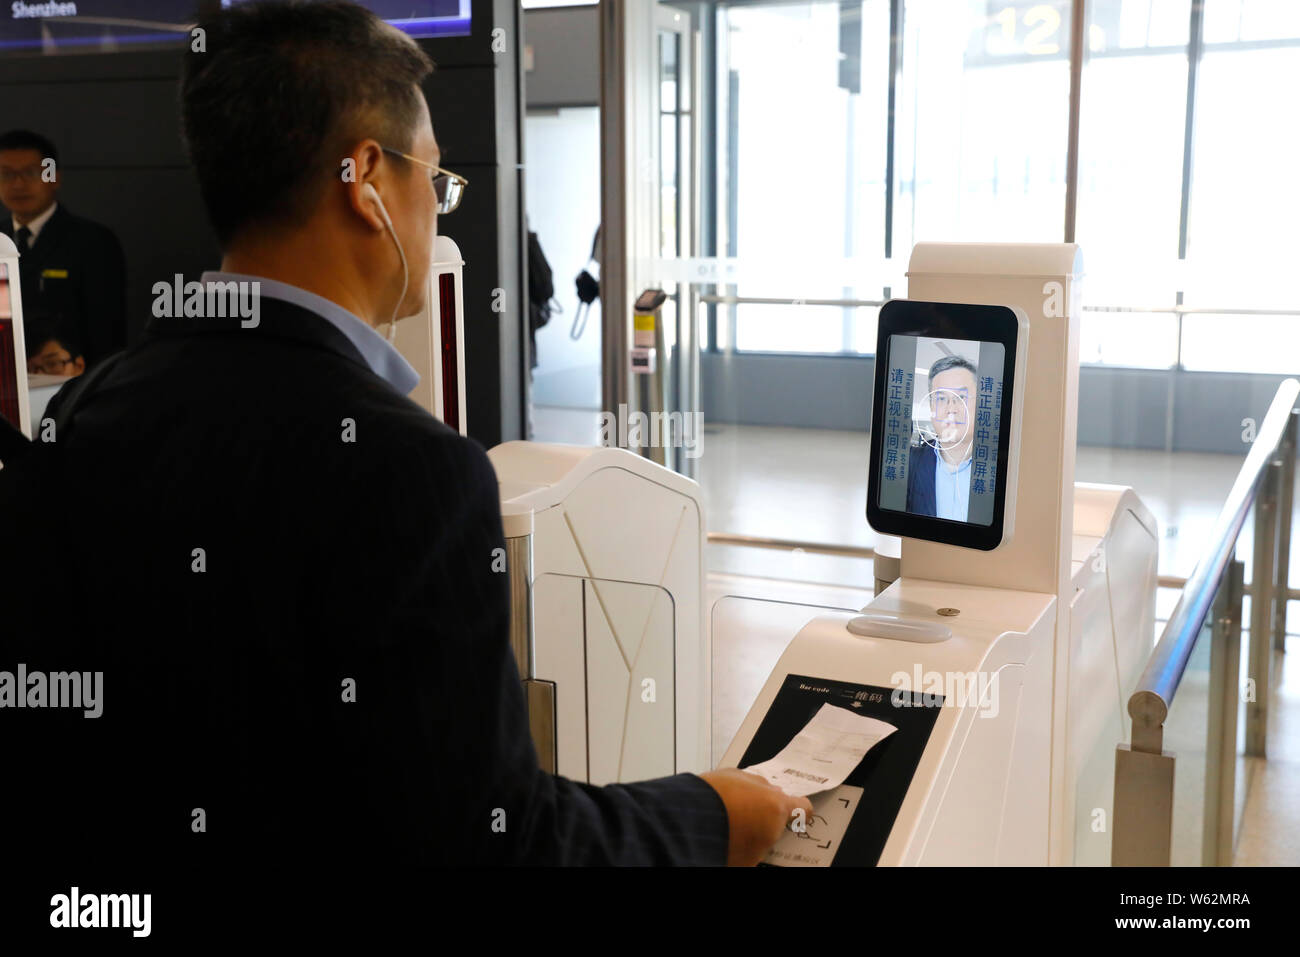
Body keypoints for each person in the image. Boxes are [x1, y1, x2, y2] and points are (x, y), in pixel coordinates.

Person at [0, 0, 806, 870]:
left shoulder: (91, 409)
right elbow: (494, 841)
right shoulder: (413, 472)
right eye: (435, 177)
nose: (438, 205)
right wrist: (713, 815)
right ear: (369, 179)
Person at [0, 130, 127, 366]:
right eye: (6, 174)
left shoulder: (93, 241)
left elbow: (107, 332)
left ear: (53, 177)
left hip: (68, 382)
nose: (18, 184)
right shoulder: (1, 238)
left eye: (30, 173)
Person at [906, 354, 978, 521]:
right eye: (941, 399)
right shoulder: (909, 465)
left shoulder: (1003, 468)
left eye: (961, 397)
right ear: (931, 407)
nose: (950, 408)